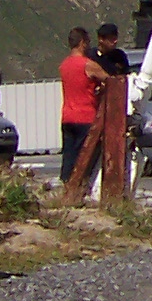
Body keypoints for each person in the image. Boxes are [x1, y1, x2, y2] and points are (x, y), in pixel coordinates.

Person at [58, 28, 103, 190]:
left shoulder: (64, 65)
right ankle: (81, 187)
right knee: (86, 156)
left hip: (67, 115)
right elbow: (111, 81)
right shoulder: (88, 65)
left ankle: (66, 186)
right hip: (85, 116)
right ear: (83, 43)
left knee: (69, 154)